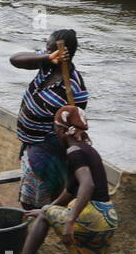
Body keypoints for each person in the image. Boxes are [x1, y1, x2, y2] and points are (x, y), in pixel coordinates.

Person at [16, 105, 117, 254]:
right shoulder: (87, 150)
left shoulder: (73, 152)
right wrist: (48, 208)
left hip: (91, 217)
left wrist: (69, 220)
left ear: (61, 131)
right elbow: (71, 190)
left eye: (55, 129)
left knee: (45, 215)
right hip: (108, 218)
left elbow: (86, 185)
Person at [11, 29, 89, 210]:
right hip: (30, 142)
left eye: (49, 48)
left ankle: (39, 220)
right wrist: (46, 58)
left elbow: (74, 125)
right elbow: (15, 59)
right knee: (31, 196)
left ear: (63, 51)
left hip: (47, 147)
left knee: (33, 201)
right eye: (46, 48)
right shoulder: (46, 64)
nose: (45, 51)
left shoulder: (74, 88)